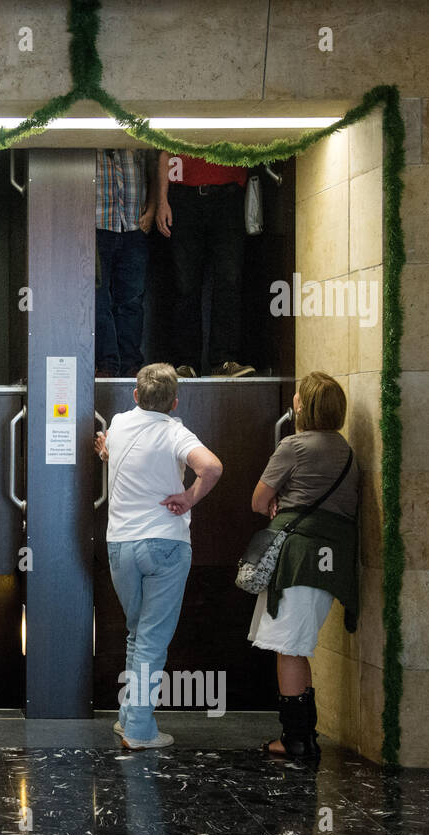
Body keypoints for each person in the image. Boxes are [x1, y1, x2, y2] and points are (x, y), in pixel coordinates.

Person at [95, 363, 223, 749]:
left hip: (120, 546)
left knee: (138, 636)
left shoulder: (117, 425)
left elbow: (115, 453)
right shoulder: (174, 432)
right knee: (151, 640)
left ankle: (128, 718)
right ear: (174, 401)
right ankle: (138, 730)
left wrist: (105, 452)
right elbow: (212, 467)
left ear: (136, 396)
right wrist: (188, 498)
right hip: (165, 545)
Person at [248, 371, 359, 759]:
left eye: (297, 400)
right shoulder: (345, 450)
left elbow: (258, 501)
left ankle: (295, 740)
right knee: (295, 646)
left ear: (305, 407)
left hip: (299, 561)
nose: (293, 404)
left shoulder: (294, 446)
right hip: (330, 560)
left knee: (288, 647)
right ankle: (304, 735)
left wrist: (279, 502)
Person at [155, 153, 255, 379]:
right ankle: (187, 363)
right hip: (183, 194)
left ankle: (223, 361)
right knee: (185, 283)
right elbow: (164, 147)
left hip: (229, 193)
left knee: (229, 280)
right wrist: (163, 199)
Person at [94, 148, 156, 378]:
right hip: (97, 223)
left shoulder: (135, 130)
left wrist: (152, 209)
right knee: (99, 300)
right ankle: (107, 363)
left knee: (132, 299)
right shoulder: (87, 131)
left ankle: (131, 364)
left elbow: (152, 168)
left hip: (134, 223)